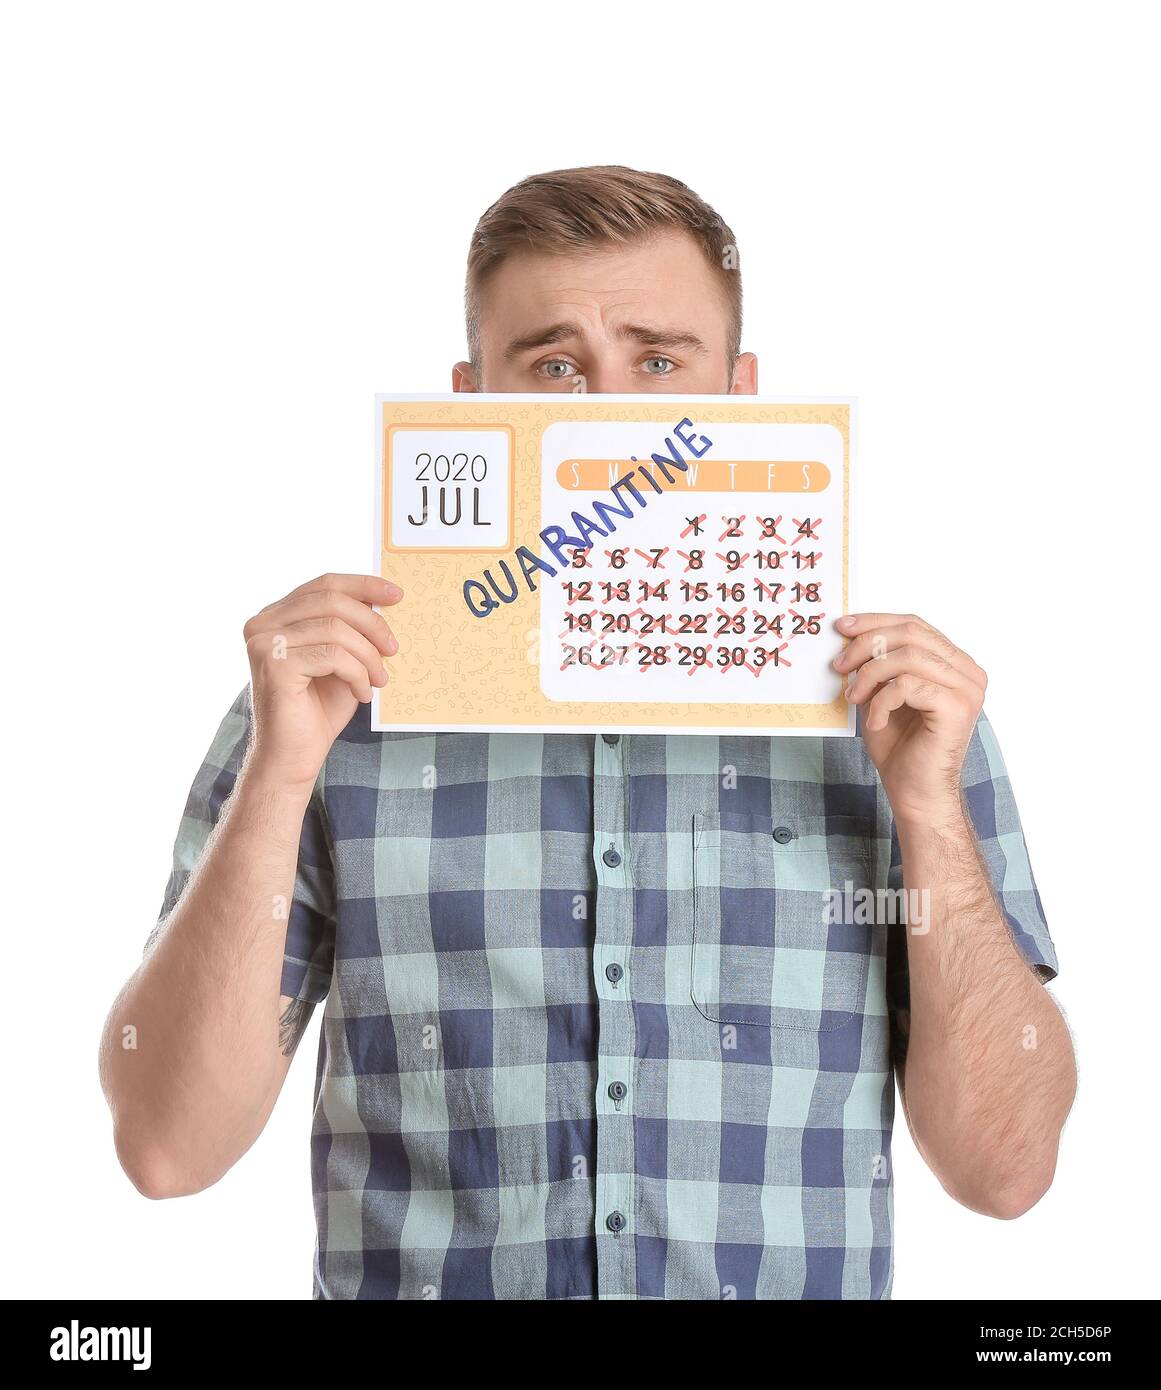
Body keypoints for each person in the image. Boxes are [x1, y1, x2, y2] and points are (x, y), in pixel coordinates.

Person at [99, 165, 1076, 1300]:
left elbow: (1008, 1169)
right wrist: (278, 776)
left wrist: (928, 817)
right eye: (554, 365)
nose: (611, 406)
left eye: (659, 360)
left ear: (741, 394)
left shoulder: (898, 717)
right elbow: (167, 1147)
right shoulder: (324, 704)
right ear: (469, 404)